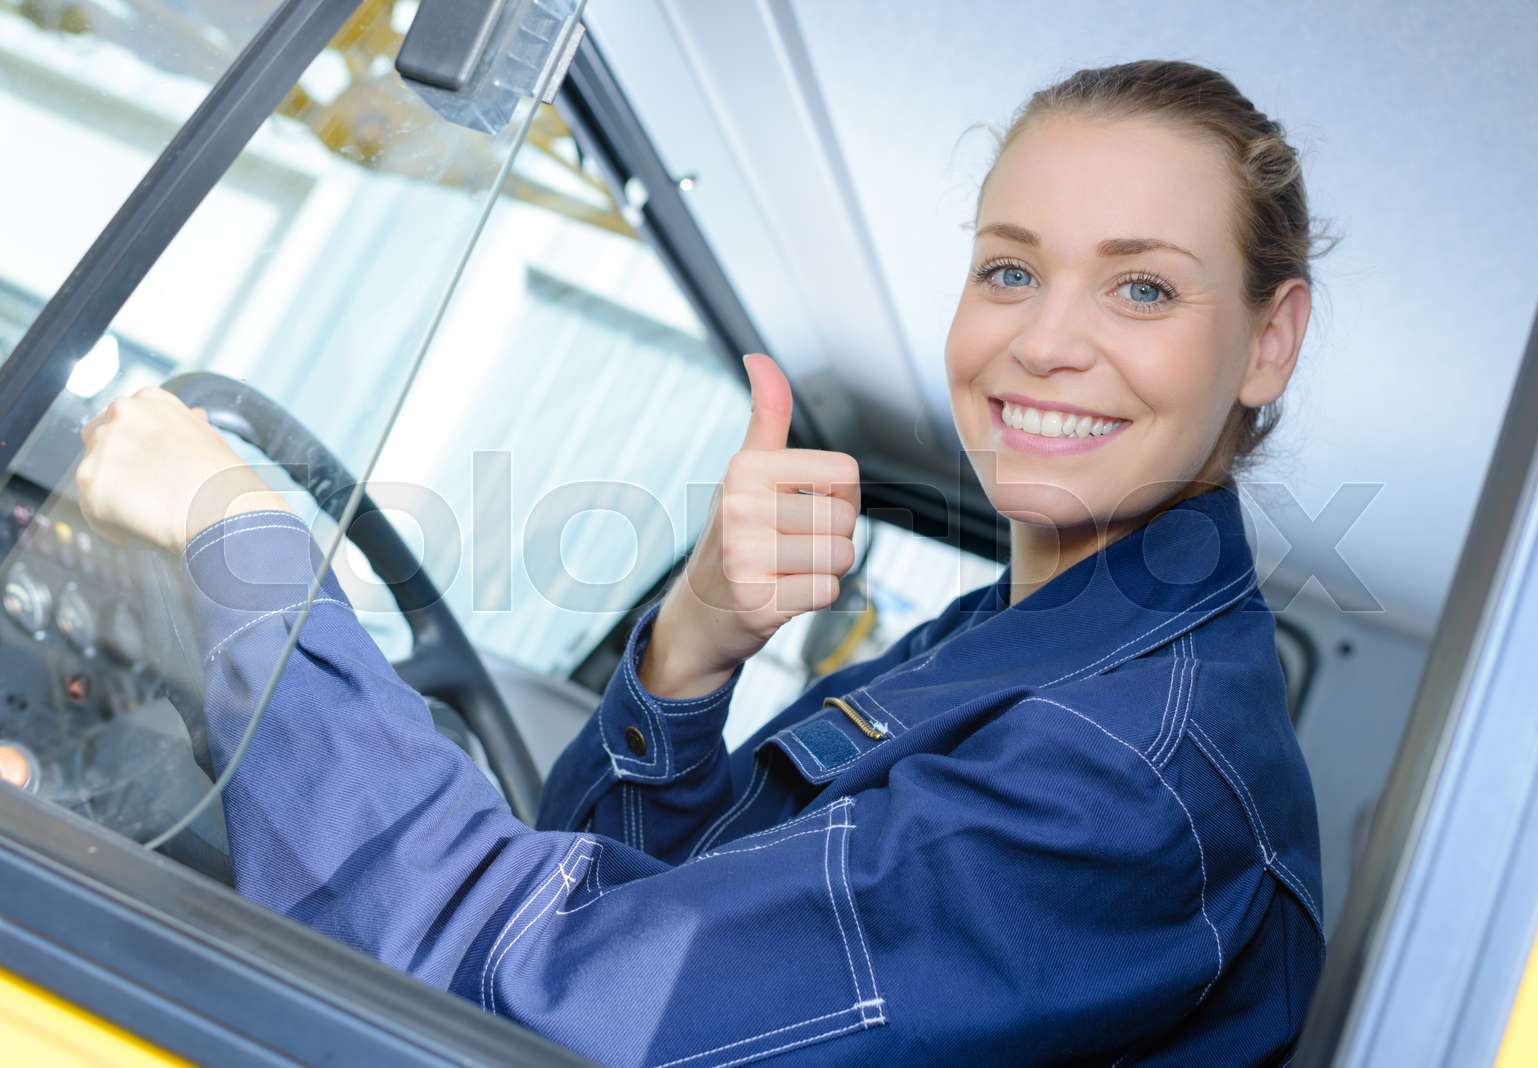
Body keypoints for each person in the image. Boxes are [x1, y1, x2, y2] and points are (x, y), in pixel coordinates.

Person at [75, 59, 1326, 1066]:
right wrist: (692, 644)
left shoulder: (1120, 776)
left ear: (1269, 341)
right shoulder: (1017, 647)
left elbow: (525, 1005)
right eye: (1010, 269)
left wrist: (242, 544)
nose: (1045, 341)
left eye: (1142, 290)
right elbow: (636, 906)